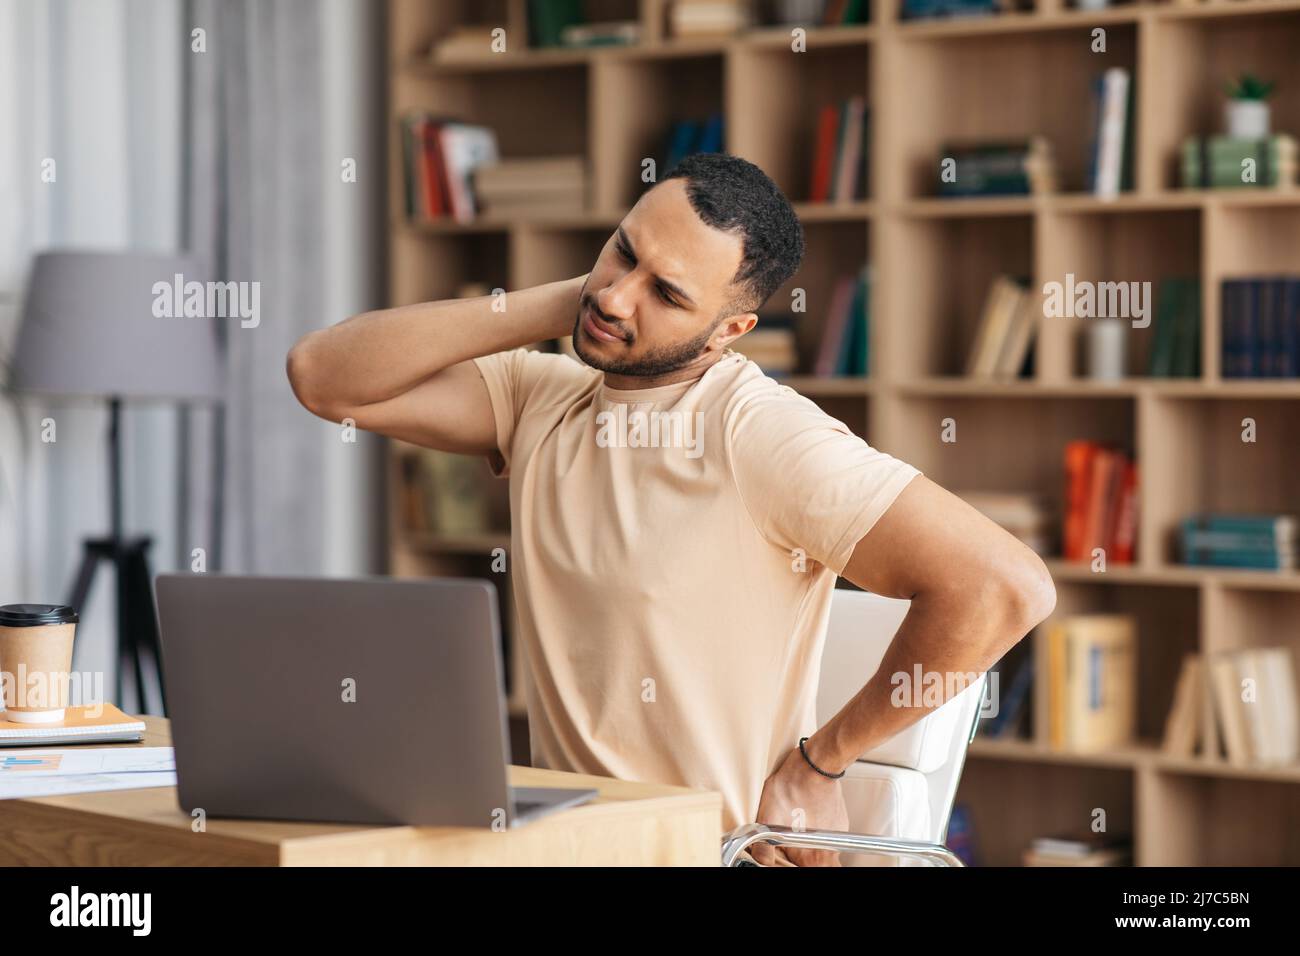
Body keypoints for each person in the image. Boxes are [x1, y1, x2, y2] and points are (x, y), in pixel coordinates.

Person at [286, 153, 1055, 866]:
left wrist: (823, 760)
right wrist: (583, 299)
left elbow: (1006, 587)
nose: (622, 294)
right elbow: (323, 377)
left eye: (668, 293)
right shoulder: (539, 397)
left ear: (730, 332)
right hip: (565, 849)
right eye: (624, 250)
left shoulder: (761, 435)